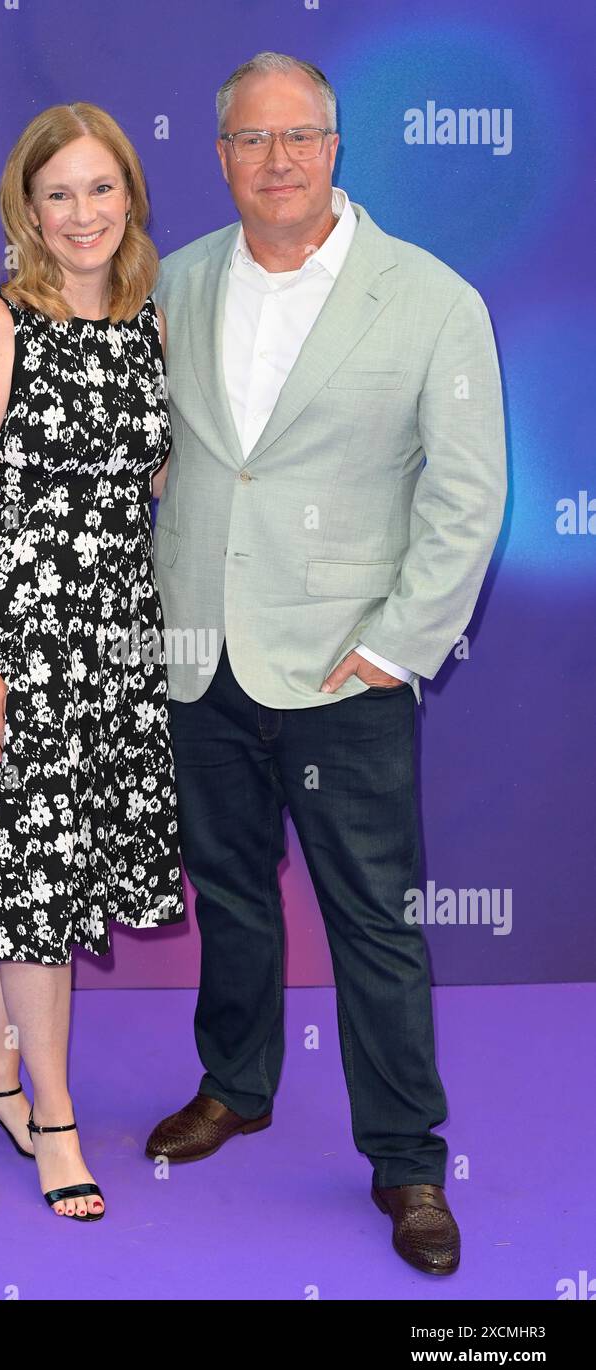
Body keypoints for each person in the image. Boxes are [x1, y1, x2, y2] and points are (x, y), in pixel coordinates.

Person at [145, 52, 507, 1274]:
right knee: (230, 893)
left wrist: (396, 646)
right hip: (203, 658)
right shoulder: (174, 282)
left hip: (346, 670)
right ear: (221, 157)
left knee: (374, 921)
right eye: (252, 140)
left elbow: (467, 496)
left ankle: (405, 1159)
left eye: (300, 136)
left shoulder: (429, 298)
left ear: (336, 147)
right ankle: (233, 1086)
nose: (278, 159)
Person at [0, 101, 184, 1222]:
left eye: (100, 189)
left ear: (129, 199)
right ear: (27, 208)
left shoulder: (149, 325)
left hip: (109, 649)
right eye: (57, 193)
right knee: (40, 897)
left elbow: (143, 486)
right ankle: (54, 1119)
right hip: (11, 649)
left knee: (27, 883)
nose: (81, 213)